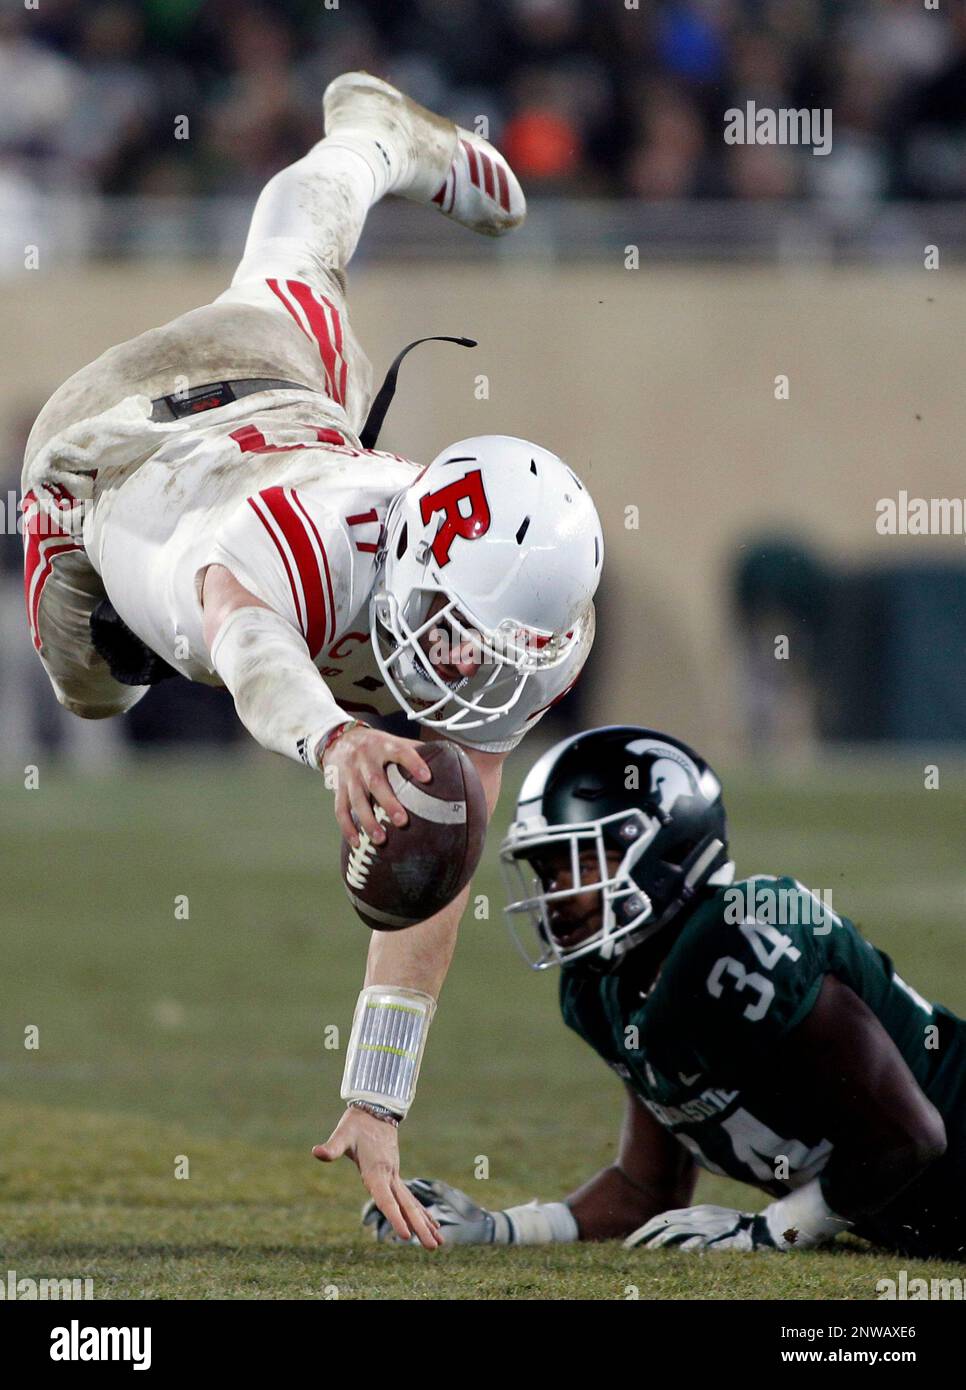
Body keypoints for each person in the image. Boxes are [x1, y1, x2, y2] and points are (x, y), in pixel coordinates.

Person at [20, 73, 603, 1249]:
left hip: (287, 396)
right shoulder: (306, 547)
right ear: (414, 555)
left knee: (297, 254)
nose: (460, 668)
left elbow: (435, 871)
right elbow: (244, 632)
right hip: (120, 455)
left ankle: (374, 134)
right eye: (451, 628)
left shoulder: (514, 626)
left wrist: (378, 1094)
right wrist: (334, 736)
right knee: (93, 687)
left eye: (489, 651)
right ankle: (379, 142)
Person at [365, 725, 966, 1258]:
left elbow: (909, 1135)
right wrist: (504, 1229)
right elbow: (646, 1189)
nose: (555, 892)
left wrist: (777, 1229)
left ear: (662, 851)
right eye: (546, 870)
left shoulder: (740, 938)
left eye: (578, 863)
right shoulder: (606, 990)